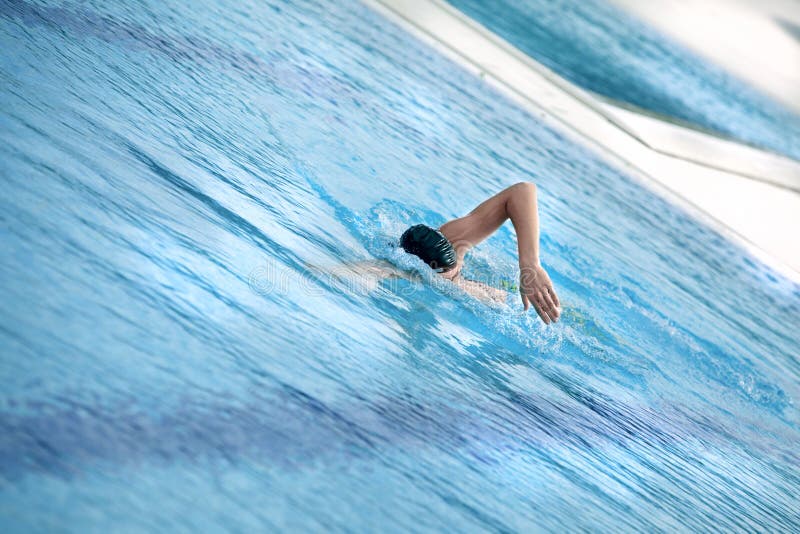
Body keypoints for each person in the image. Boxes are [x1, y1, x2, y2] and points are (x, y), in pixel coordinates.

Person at [400, 182, 560, 324]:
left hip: (501, 282)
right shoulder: (406, 273)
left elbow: (522, 190)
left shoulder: (452, 239)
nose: (456, 268)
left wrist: (530, 264)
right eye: (449, 273)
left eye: (455, 262)